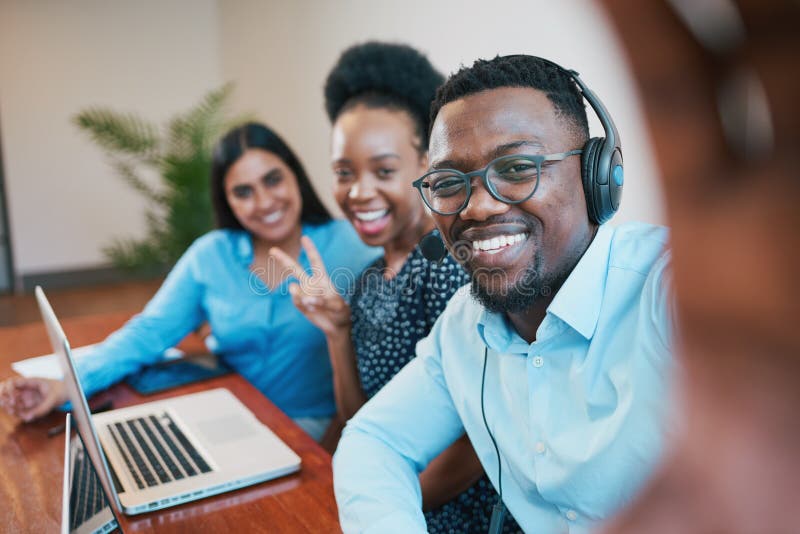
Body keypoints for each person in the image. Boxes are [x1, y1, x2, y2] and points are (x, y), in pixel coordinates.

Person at [332, 55, 674, 533]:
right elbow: (374, 439)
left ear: (599, 176)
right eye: (450, 183)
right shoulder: (463, 325)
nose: (479, 206)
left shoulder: (671, 290)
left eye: (516, 167)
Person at [271, 42, 521, 532]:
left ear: (428, 164)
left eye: (384, 171)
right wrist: (338, 330)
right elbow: (361, 421)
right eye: (344, 173)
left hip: (443, 514)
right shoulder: (368, 279)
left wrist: (374, 497)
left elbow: (479, 441)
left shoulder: (455, 266)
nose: (359, 192)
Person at [0, 122, 379, 442]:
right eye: (243, 192)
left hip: (313, 430)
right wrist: (63, 386)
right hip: (225, 416)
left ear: (296, 175)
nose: (263, 202)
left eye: (273, 180)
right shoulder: (211, 255)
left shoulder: (352, 245)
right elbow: (148, 333)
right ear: (226, 200)